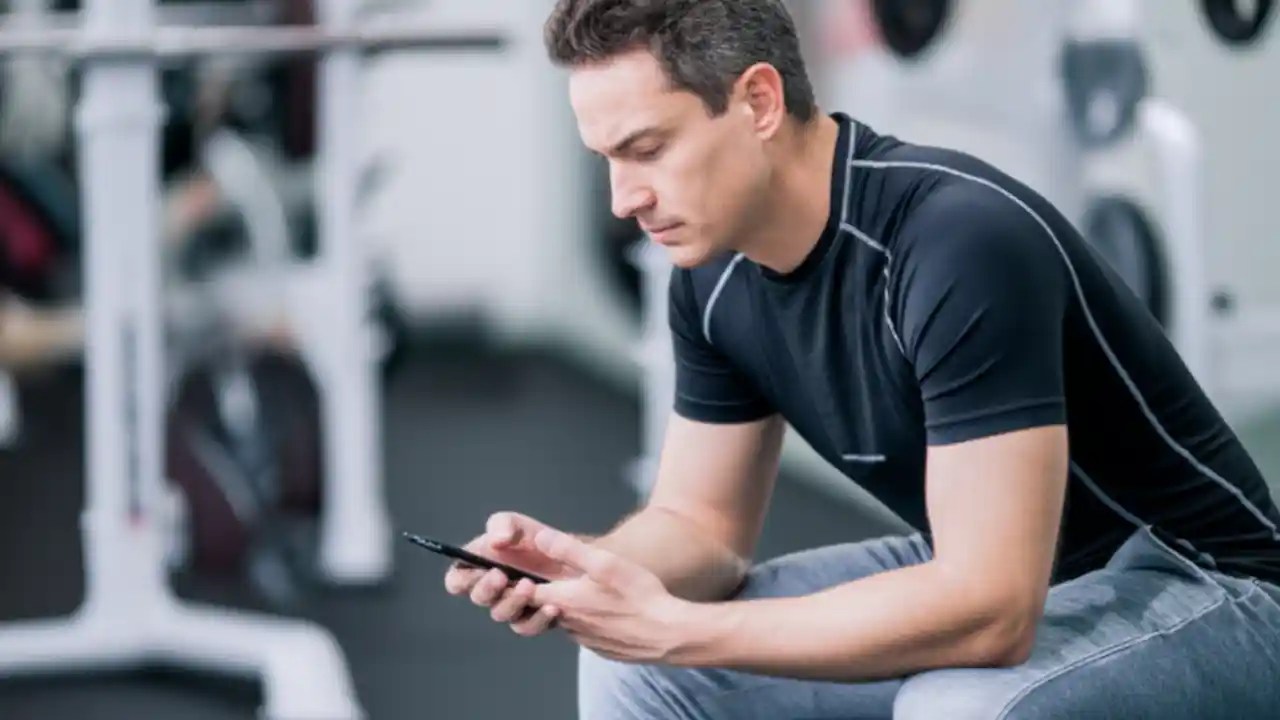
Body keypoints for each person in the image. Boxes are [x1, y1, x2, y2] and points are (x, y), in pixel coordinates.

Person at [443, 1, 1280, 717]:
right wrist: (591, 573)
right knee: (632, 666)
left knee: (960, 705)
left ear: (758, 102)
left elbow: (992, 612)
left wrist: (680, 628)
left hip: (1212, 590)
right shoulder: (713, 274)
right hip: (997, 563)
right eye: (608, 162)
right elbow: (701, 526)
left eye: (648, 149)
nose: (625, 200)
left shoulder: (957, 243)